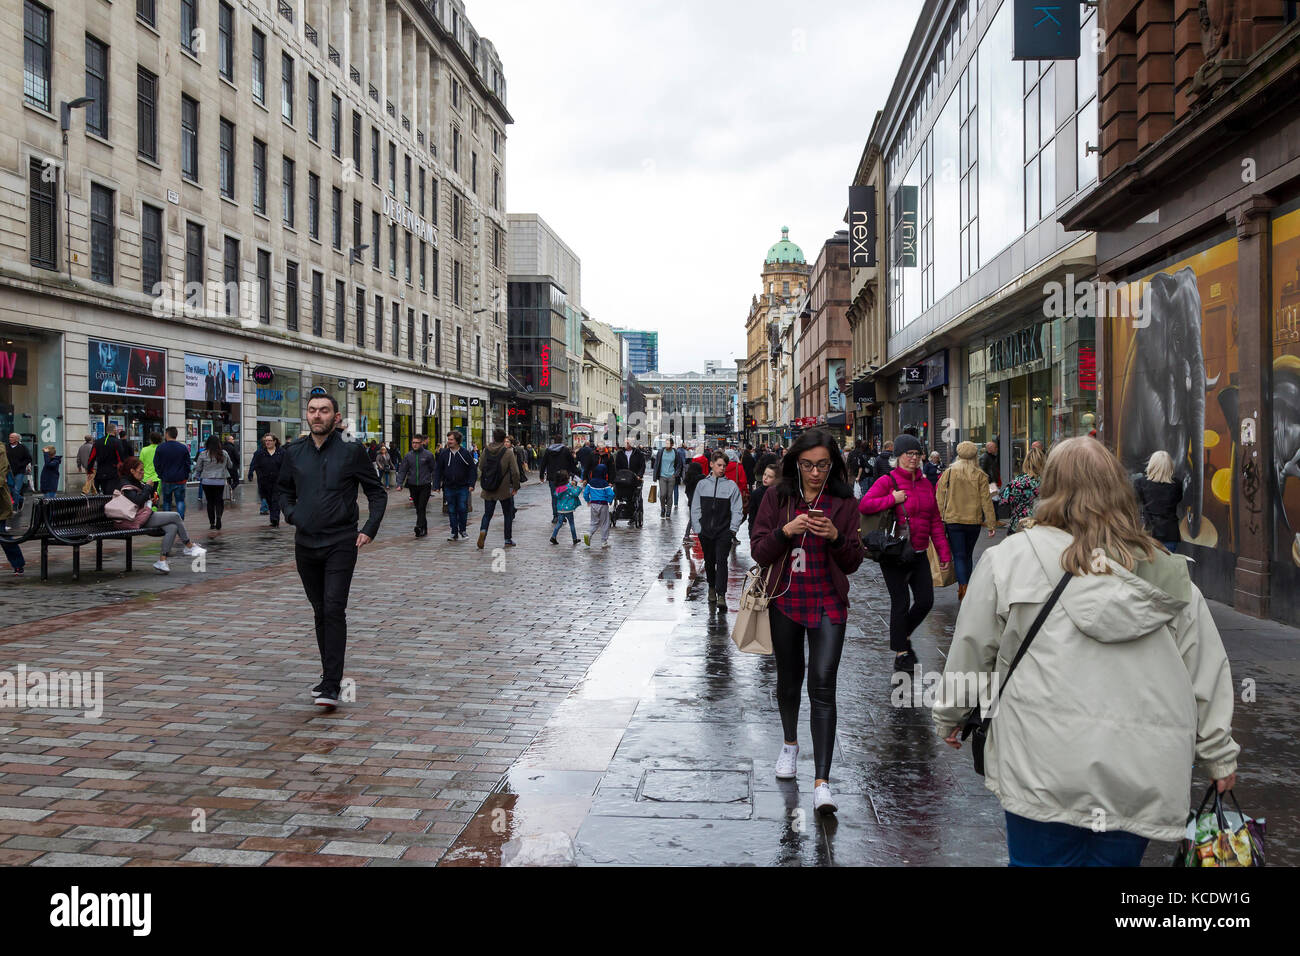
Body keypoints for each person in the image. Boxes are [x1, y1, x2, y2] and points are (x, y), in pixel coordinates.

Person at [933, 437, 1240, 867]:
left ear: (1049, 486)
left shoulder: (1009, 560)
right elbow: (1205, 671)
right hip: (1138, 773)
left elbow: (972, 647)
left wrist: (952, 713)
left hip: (1041, 763)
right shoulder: (1167, 572)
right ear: (1119, 489)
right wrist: (1218, 755)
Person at [751, 429, 866, 817]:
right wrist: (787, 531)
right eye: (807, 465)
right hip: (785, 599)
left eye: (822, 465)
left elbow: (852, 561)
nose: (815, 473)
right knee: (789, 681)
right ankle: (789, 744)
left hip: (828, 603)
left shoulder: (844, 503)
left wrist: (835, 536)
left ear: (831, 465)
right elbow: (759, 550)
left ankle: (822, 781)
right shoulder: (777, 497)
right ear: (795, 463)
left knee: (823, 684)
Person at [277, 394, 386, 707]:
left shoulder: (352, 452)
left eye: (324, 411)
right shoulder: (294, 451)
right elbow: (283, 489)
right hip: (305, 543)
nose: (317, 415)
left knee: (333, 607)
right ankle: (328, 678)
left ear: (336, 417)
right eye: (312, 410)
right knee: (319, 609)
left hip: (341, 541)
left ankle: (331, 685)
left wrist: (369, 529)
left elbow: (377, 494)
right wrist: (291, 513)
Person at [859, 433, 952, 675]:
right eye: (908, 454)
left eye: (916, 454)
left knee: (925, 601)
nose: (913, 458)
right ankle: (902, 653)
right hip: (894, 553)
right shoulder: (888, 481)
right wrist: (892, 499)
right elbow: (865, 505)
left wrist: (944, 553)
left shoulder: (925, 484)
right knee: (900, 603)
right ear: (898, 457)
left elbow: (934, 521)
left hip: (919, 552)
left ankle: (903, 634)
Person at [115, 457, 206, 574]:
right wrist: (148, 487)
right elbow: (137, 500)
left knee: (172, 527)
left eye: (143, 470)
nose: (143, 473)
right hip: (134, 519)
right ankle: (189, 545)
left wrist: (152, 497)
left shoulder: (135, 482)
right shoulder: (125, 484)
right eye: (140, 470)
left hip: (142, 516)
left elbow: (142, 500)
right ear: (132, 471)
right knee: (175, 516)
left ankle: (162, 561)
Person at [935, 441, 998, 601]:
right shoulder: (980, 475)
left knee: (959, 555)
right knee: (967, 555)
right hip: (973, 521)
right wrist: (991, 523)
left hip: (953, 520)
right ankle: (966, 587)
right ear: (975, 456)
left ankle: (963, 588)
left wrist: (937, 520)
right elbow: (987, 501)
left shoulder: (949, 473)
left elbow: (939, 498)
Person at [690, 452, 743, 610]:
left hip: (723, 531)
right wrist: (699, 528)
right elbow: (695, 508)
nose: (722, 468)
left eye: (724, 466)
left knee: (721, 562)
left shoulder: (731, 486)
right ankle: (712, 587)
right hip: (705, 531)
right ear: (712, 464)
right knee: (709, 561)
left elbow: (737, 509)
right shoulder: (702, 485)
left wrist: (732, 530)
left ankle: (721, 594)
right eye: (719, 465)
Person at [476, 429, 521, 549]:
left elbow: (480, 467)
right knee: (507, 514)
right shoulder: (508, 452)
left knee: (487, 514)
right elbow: (515, 472)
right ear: (503, 438)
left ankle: (483, 531)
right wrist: (516, 487)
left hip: (489, 487)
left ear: (494, 438)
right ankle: (507, 539)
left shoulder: (486, 450)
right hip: (504, 488)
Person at [1134, 450, 1184, 553]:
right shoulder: (1177, 485)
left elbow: (1136, 501)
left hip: (1148, 533)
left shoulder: (1140, 483)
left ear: (1151, 465)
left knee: (1150, 566)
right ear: (1170, 467)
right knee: (1167, 566)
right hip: (1170, 534)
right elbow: (1179, 499)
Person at [433, 431, 476, 542]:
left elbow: (472, 469)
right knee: (451, 510)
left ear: (457, 441)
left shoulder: (465, 453)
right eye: (448, 439)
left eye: (451, 439)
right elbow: (438, 470)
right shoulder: (444, 453)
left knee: (462, 508)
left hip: (463, 486)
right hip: (449, 486)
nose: (449, 442)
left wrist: (471, 484)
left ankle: (463, 530)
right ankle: (454, 532)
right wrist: (436, 485)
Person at [395, 435, 437, 538]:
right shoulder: (408, 456)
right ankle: (424, 528)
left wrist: (435, 484)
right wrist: (399, 484)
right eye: (413, 442)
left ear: (422, 443)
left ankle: (419, 527)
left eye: (417, 442)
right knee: (418, 508)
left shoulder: (428, 455)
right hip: (413, 485)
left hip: (425, 485)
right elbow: (402, 470)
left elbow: (434, 470)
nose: (414, 444)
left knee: (422, 506)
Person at [1003, 445, 1046, 535]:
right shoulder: (1049, 481)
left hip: (1020, 523)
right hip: (1042, 523)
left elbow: (1005, 500)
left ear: (1026, 462)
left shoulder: (1018, 481)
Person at [194, 435, 232, 530]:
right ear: (219, 443)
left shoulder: (203, 454)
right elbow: (230, 465)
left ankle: (212, 523)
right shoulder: (224, 453)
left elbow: (198, 468)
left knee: (210, 502)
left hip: (207, 481)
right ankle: (219, 517)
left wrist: (198, 474)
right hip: (220, 481)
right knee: (219, 500)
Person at [248, 434, 285, 527]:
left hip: (278, 481)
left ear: (275, 441)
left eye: (269, 440)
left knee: (275, 500)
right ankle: (273, 517)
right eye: (266, 441)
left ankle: (275, 519)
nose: (267, 442)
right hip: (264, 481)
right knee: (268, 499)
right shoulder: (259, 453)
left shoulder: (282, 452)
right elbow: (253, 464)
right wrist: (251, 473)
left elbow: (287, 466)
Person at [153, 427, 191, 518]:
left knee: (166, 501)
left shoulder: (161, 448)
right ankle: (180, 520)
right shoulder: (183, 448)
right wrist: (186, 476)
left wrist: (161, 475)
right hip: (180, 479)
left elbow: (156, 463)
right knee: (180, 501)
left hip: (166, 479)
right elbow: (187, 464)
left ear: (167, 434)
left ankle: (167, 520)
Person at [540, 441, 577, 522]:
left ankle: (555, 516)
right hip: (563, 477)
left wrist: (541, 475)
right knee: (563, 496)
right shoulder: (565, 450)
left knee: (554, 497)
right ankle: (562, 515)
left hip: (552, 477)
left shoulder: (548, 450)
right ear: (561, 441)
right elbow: (572, 462)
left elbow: (543, 463)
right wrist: (574, 473)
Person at [86, 431, 131, 495]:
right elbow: (120, 459)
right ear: (114, 431)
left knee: (104, 493)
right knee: (111, 494)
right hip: (113, 473)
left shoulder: (97, 442)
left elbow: (91, 458)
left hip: (100, 473)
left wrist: (89, 471)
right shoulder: (117, 442)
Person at [582, 462, 616, 548]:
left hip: (593, 504)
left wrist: (588, 500)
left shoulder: (591, 482)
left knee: (594, 522)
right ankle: (604, 541)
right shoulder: (605, 483)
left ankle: (589, 533)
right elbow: (611, 494)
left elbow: (585, 493)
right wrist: (609, 500)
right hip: (603, 504)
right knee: (604, 523)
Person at [652, 438, 684, 518]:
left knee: (669, 495)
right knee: (662, 494)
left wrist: (675, 474)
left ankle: (668, 511)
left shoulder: (675, 453)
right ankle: (663, 509)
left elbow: (679, 465)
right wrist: (655, 476)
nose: (666, 445)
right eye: (665, 443)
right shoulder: (660, 452)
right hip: (662, 476)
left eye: (668, 443)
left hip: (671, 477)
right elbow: (656, 464)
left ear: (672, 445)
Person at [747, 462, 779, 538]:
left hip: (775, 533)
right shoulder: (756, 494)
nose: (765, 478)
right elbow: (752, 517)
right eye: (764, 474)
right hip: (759, 532)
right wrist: (751, 534)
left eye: (770, 477)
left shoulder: (780, 494)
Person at [550, 470, 582, 545]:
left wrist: (571, 484)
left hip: (560, 509)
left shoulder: (558, 487)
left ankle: (553, 537)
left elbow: (556, 495)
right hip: (568, 509)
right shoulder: (568, 487)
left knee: (559, 523)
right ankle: (574, 539)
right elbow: (575, 493)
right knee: (571, 524)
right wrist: (579, 486)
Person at [6, 433, 32, 510]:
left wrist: (21, 465)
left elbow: (29, 458)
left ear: (17, 439)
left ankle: (14, 507)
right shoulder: (6, 447)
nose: (10, 438)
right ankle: (21, 499)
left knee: (17, 490)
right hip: (9, 472)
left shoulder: (23, 448)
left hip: (19, 472)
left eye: (12, 437)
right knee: (10, 490)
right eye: (9, 437)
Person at [682, 456, 706, 542]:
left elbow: (686, 492)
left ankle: (687, 535)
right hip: (699, 502)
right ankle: (686, 536)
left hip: (691, 502)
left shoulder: (688, 480)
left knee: (693, 519)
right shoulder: (701, 478)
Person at [222, 434, 241, 501]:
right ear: (228, 440)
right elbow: (237, 457)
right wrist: (238, 464)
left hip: (225, 467)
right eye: (232, 439)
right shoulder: (233, 447)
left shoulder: (223, 447)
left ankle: (229, 495)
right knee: (236, 481)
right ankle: (230, 491)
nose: (233, 440)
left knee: (228, 481)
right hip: (233, 467)